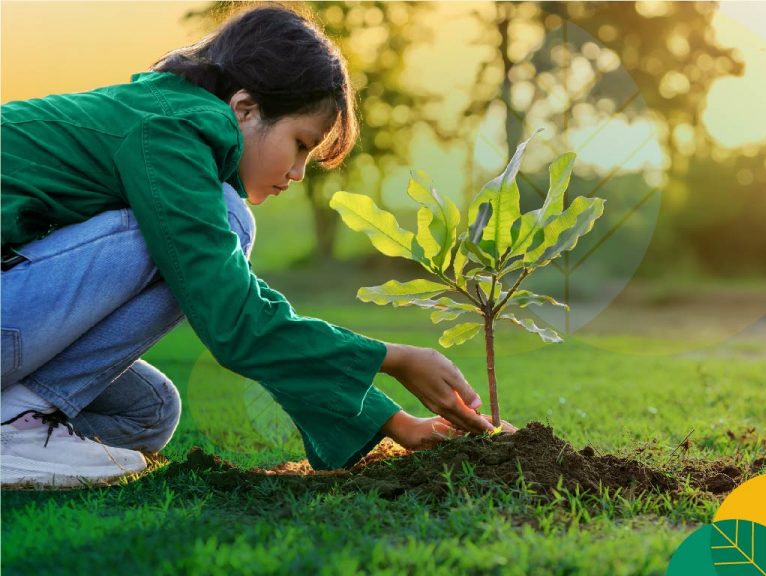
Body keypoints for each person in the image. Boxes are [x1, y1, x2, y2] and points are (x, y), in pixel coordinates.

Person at [0, 4, 515, 489]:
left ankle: (23, 418)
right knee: (224, 220)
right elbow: (233, 316)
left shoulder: (165, 125)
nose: (297, 173)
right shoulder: (170, 129)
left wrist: (394, 422)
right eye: (300, 145)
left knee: (147, 413)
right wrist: (392, 357)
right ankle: (18, 425)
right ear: (245, 108)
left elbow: (240, 311)